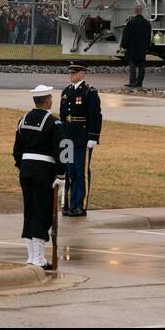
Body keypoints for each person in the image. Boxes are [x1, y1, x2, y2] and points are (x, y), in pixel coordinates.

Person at [14, 85, 65, 269]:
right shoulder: (54, 122)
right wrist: (62, 174)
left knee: (29, 211)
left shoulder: (22, 120)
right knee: (42, 212)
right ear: (48, 100)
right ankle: (39, 258)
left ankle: (31, 256)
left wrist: (23, 166)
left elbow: (16, 150)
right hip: (44, 171)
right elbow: (63, 150)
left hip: (26, 169)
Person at [59, 62, 102, 216]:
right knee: (69, 172)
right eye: (71, 73)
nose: (71, 75)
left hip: (83, 138)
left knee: (80, 172)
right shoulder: (66, 92)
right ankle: (69, 204)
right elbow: (63, 117)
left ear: (82, 73)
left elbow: (95, 116)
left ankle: (80, 205)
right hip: (68, 138)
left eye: (74, 72)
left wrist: (93, 137)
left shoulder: (89, 92)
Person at [119, 5, 152, 88]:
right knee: (141, 65)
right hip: (142, 47)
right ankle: (139, 83)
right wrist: (147, 46)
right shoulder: (147, 23)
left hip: (132, 47)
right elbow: (149, 36)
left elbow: (126, 36)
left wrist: (123, 46)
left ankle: (132, 82)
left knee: (132, 65)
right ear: (142, 11)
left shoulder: (131, 22)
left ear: (135, 11)